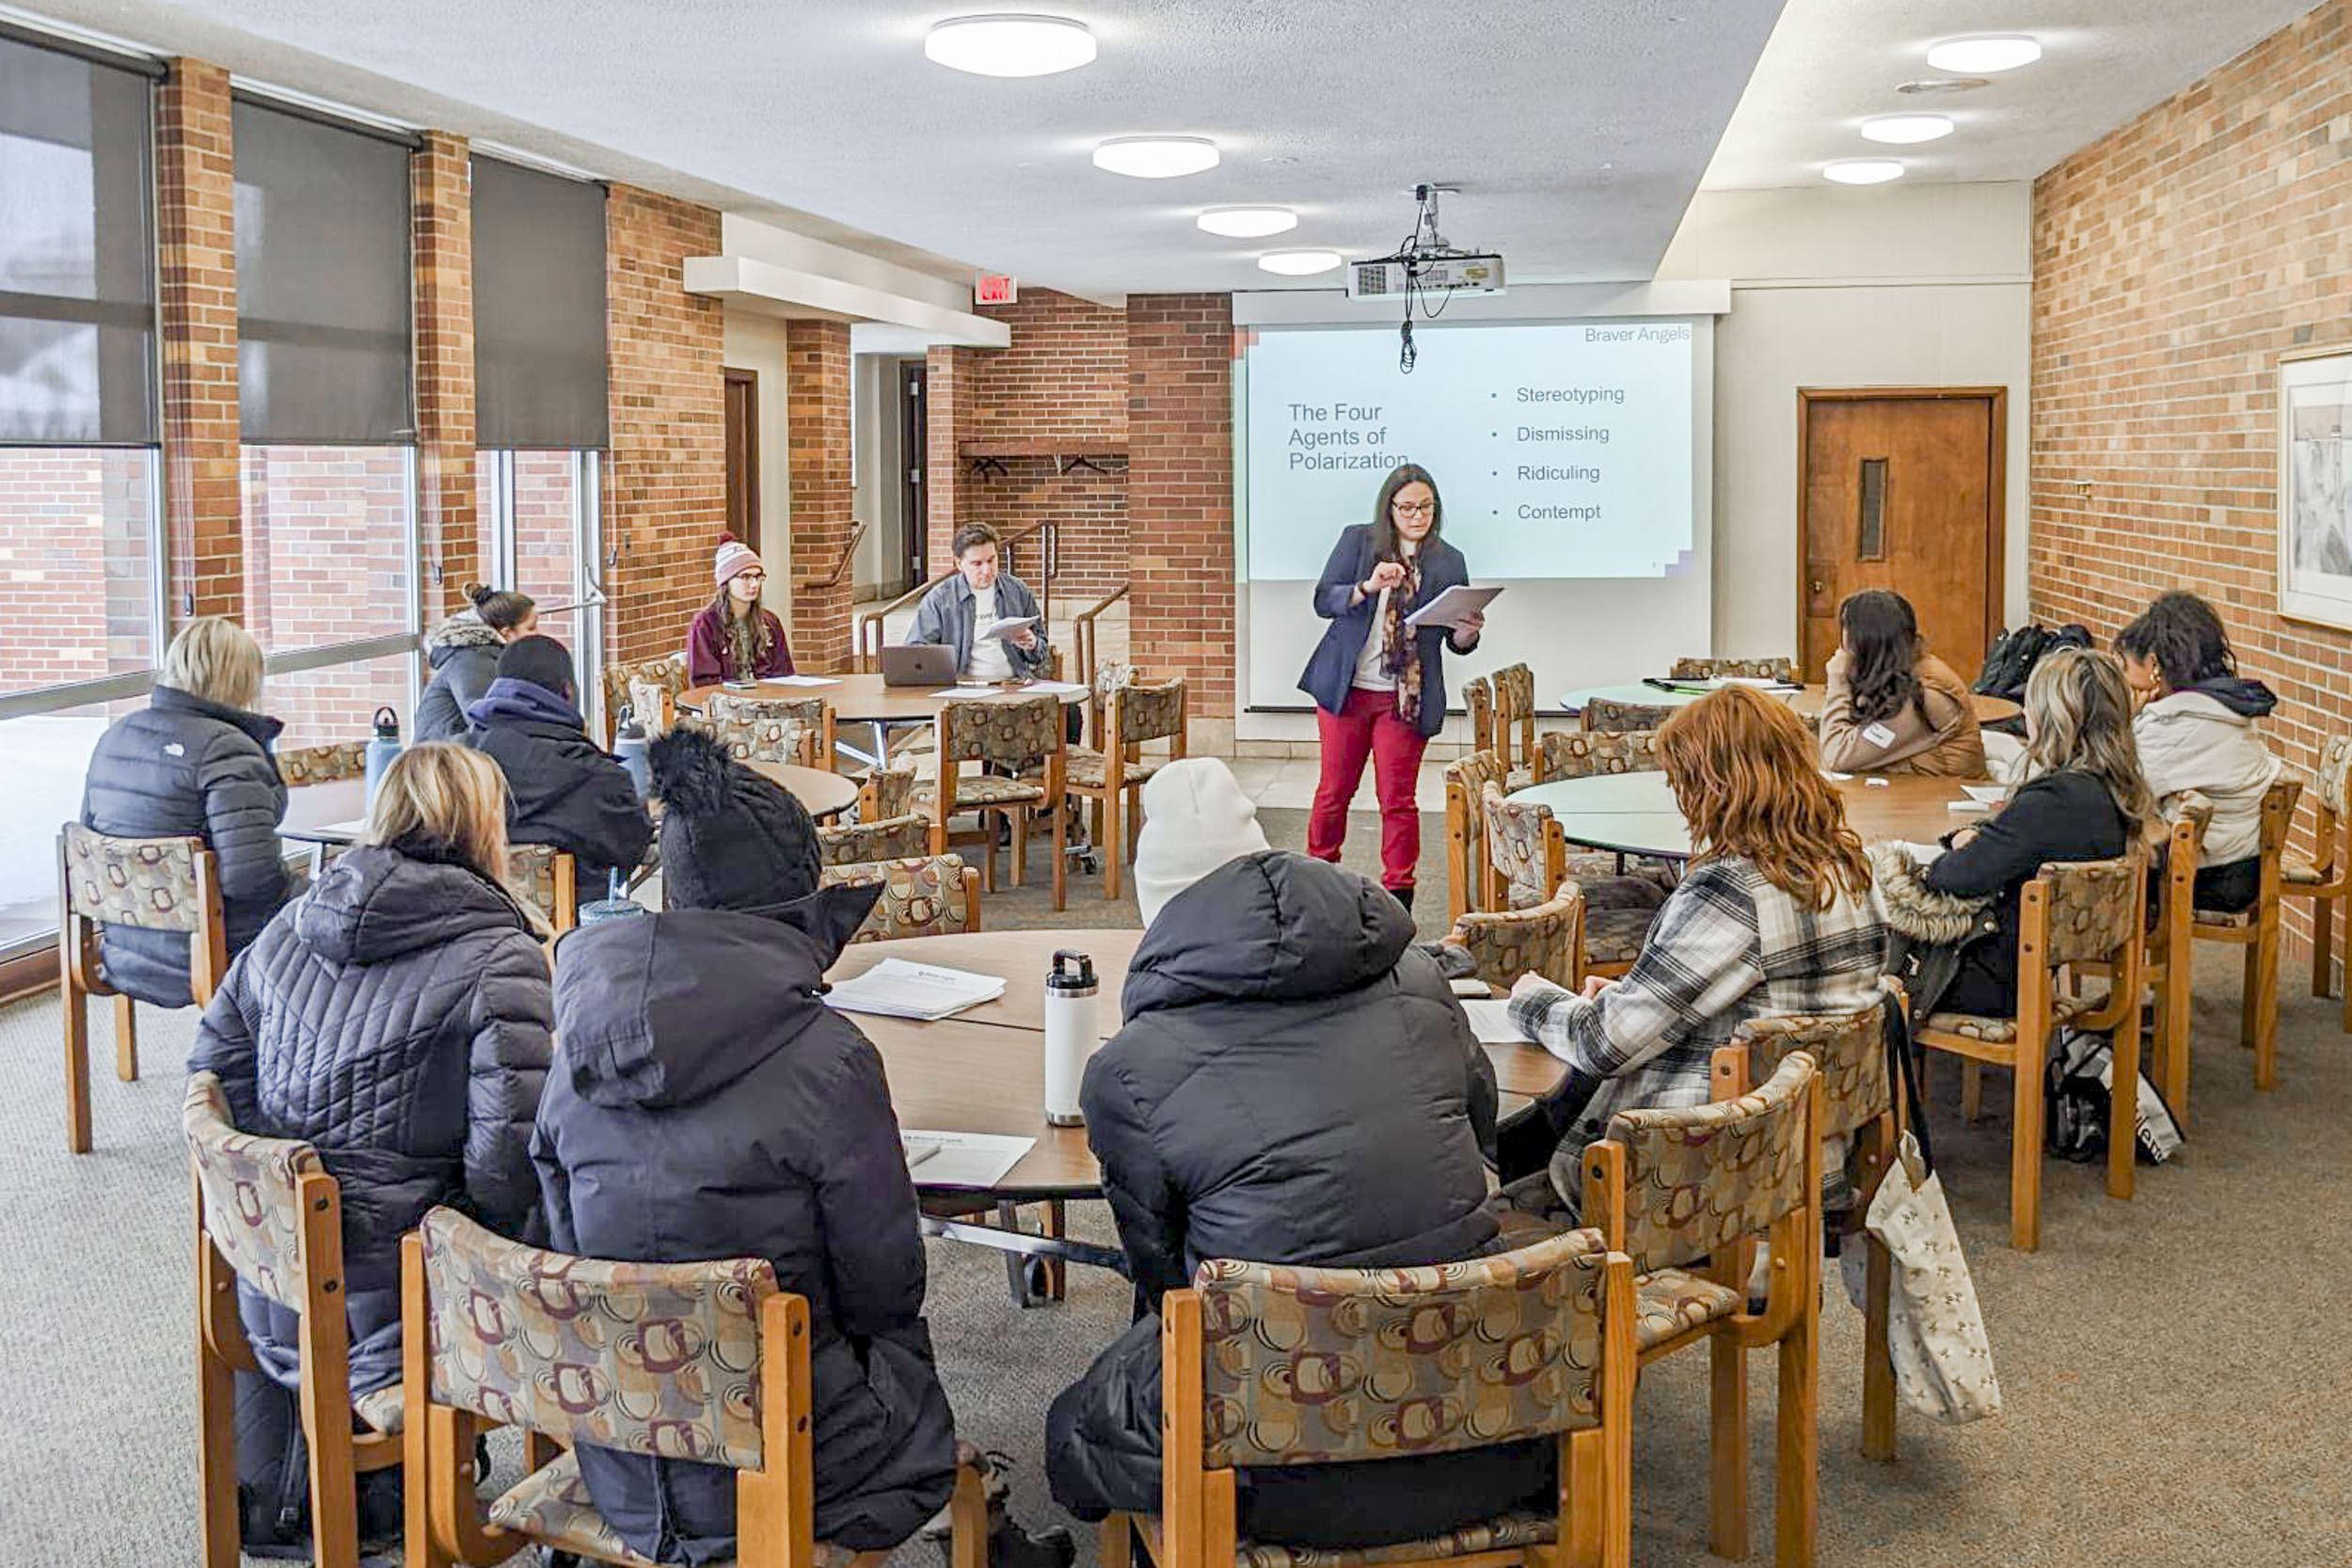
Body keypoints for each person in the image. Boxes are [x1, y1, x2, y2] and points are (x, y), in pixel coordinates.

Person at [532, 725, 1071, 1568]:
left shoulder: (574, 1046)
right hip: (792, 1450)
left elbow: (560, 1235)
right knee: (890, 1343)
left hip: (620, 1443)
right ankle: (966, 1512)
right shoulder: (828, 1059)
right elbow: (886, 1286)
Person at [1046, 832, 1534, 1547]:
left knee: (1078, 1425)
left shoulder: (1128, 1070)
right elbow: (1481, 1128)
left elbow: (1166, 1276)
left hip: (1272, 1470)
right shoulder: (1425, 985)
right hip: (1499, 1426)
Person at [187, 742, 552, 1555]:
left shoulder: (286, 925)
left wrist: (292, 1165)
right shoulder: (503, 957)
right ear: (486, 829)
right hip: (403, 1307)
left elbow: (212, 1070)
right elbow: (508, 1170)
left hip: (267, 1284)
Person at [1505, 686, 1887, 1168]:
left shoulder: (1732, 889)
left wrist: (1530, 998)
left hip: (1708, 1165)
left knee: (1502, 1127)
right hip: (1813, 1146)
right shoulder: (1852, 866)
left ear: (1714, 787)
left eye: (1683, 784)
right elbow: (1764, 994)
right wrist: (1629, 994)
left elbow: (1602, 1045)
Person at [1881, 646, 2158, 1017]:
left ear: (2052, 718)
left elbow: (1954, 876)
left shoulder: (2053, 800)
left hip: (1990, 978)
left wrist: (1965, 842)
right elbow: (2017, 842)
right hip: (2040, 969)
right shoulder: (2114, 792)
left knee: (1865, 935)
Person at [1297, 463, 1486, 910]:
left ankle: (1399, 896)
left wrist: (1467, 633)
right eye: (1407, 507)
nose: (1417, 516)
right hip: (1348, 691)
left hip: (1405, 698)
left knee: (1397, 800)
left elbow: (1450, 640)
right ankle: (1317, 882)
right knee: (1334, 791)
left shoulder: (1448, 559)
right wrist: (1367, 586)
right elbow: (1325, 599)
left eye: (1426, 507)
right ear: (1390, 508)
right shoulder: (1358, 541)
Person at [80, 617, 289, 1008]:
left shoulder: (115, 737)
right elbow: (251, 881)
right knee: (340, 919)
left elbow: (92, 841)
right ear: (241, 679)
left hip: (125, 944)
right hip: (209, 946)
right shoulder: (229, 749)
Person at [2116, 590, 2284, 912]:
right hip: (2241, 863)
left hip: (2206, 875)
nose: (2123, 680)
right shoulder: (2226, 707)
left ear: (2154, 664)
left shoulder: (2177, 721)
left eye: (2123, 667)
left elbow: (2119, 788)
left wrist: (2127, 720)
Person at [465, 633, 653, 893]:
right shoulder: (597, 777)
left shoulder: (451, 764)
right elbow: (632, 848)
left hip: (469, 919)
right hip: (576, 927)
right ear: (567, 691)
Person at [1816, 588, 1986, 777]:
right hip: (1918, 793)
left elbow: (1836, 756)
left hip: (1946, 798)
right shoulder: (1900, 671)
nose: (1842, 649)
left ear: (1867, 644)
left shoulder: (1924, 695)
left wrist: (1838, 680)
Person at [906, 523, 1051, 684]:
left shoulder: (1017, 590)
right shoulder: (940, 598)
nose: (987, 570)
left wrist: (1033, 644)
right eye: (977, 564)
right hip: (962, 688)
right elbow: (916, 651)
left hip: (1014, 683)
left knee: (1071, 707)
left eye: (991, 560)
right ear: (959, 564)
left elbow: (1042, 650)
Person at [414, 583, 536, 743]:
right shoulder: (472, 660)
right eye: (531, 628)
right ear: (506, 633)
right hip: (441, 760)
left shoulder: (482, 656)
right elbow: (486, 721)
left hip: (448, 753)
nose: (537, 633)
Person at [688, 534, 795, 685]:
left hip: (768, 702)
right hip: (724, 703)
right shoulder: (705, 624)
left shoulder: (770, 622)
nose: (754, 584)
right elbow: (705, 681)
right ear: (727, 581)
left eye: (758, 577)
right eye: (745, 577)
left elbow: (784, 674)